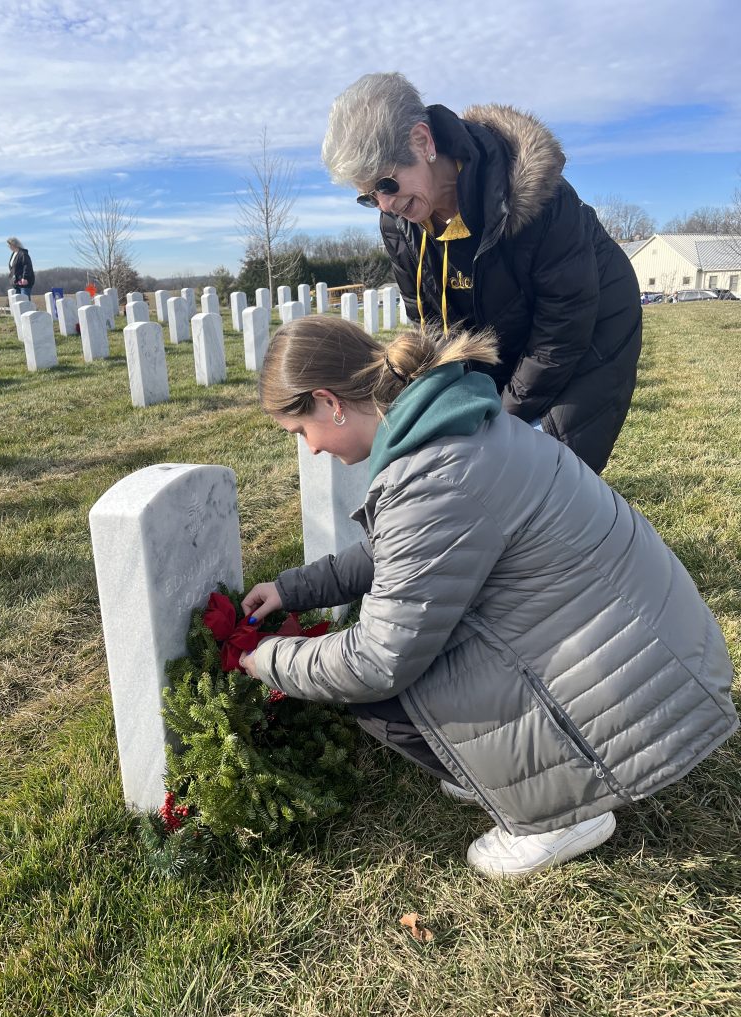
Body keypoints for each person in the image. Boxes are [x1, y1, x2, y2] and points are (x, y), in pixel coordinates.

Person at [238, 315, 737, 877]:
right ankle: (502, 773)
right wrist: (292, 589)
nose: (309, 449)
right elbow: (398, 552)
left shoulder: (431, 477)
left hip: (634, 694)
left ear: (329, 403)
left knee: (382, 699)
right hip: (656, 651)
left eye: (299, 431)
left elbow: (377, 662)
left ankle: (559, 813)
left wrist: (265, 658)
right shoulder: (450, 424)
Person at [321, 73, 642, 474]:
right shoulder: (398, 224)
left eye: (387, 183)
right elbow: (430, 326)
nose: (385, 205)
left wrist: (501, 417)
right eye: (369, 197)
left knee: (550, 474)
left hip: (589, 329)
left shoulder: (542, 200)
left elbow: (562, 329)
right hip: (505, 328)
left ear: (423, 141)